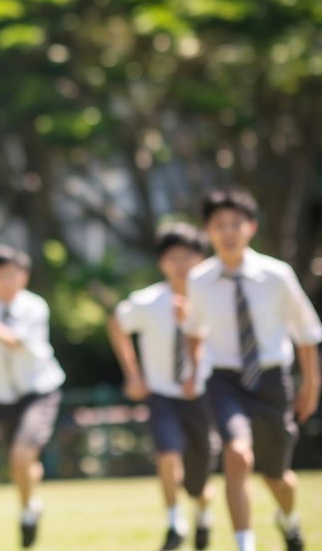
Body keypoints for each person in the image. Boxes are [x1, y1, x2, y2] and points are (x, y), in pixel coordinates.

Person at [183, 189, 322, 551]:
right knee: (237, 453)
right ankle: (245, 544)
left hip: (272, 380)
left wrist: (311, 384)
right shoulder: (198, 280)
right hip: (225, 380)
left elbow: (306, 333)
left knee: (279, 478)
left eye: (235, 224)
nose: (227, 232)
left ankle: (288, 520)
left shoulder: (277, 275)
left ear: (251, 227)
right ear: (208, 232)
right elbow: (194, 331)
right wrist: (191, 370)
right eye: (218, 225)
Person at [108, 223, 218, 550]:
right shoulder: (148, 300)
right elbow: (116, 324)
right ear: (162, 262)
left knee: (199, 478)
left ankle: (202, 509)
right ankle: (175, 521)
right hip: (162, 395)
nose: (181, 264)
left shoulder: (216, 299)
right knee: (167, 454)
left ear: (202, 259)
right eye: (173, 257)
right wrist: (134, 374)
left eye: (189, 256)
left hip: (204, 394)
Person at [0, 245, 65, 549]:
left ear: (24, 277)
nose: (5, 281)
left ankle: (27, 513)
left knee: (22, 455)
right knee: (20, 465)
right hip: (2, 398)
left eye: (11, 275)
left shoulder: (34, 307)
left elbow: (15, 342)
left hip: (39, 392)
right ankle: (30, 505)